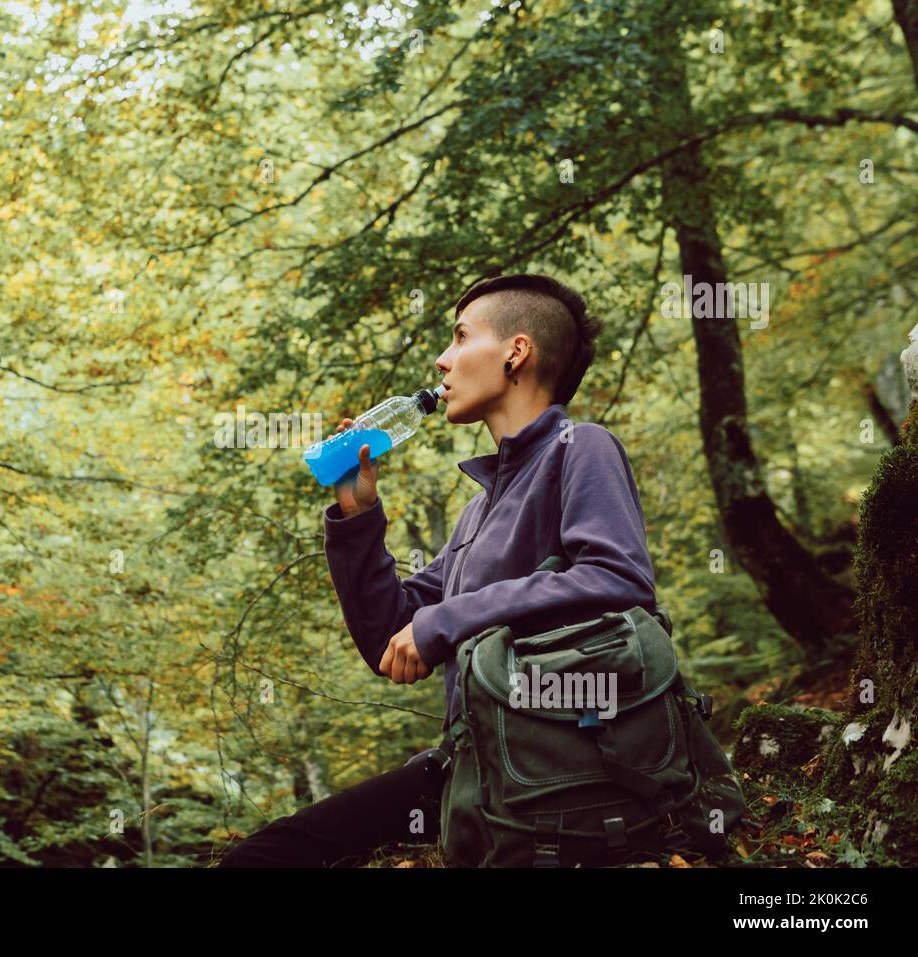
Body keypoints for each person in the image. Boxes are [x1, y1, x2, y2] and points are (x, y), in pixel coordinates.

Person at [215, 273, 658, 867]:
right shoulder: (480, 509)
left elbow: (618, 578)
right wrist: (358, 517)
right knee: (268, 854)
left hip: (565, 759)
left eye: (459, 336)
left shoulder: (582, 447)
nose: (441, 360)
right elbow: (389, 636)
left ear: (515, 352)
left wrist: (448, 619)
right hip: (474, 760)